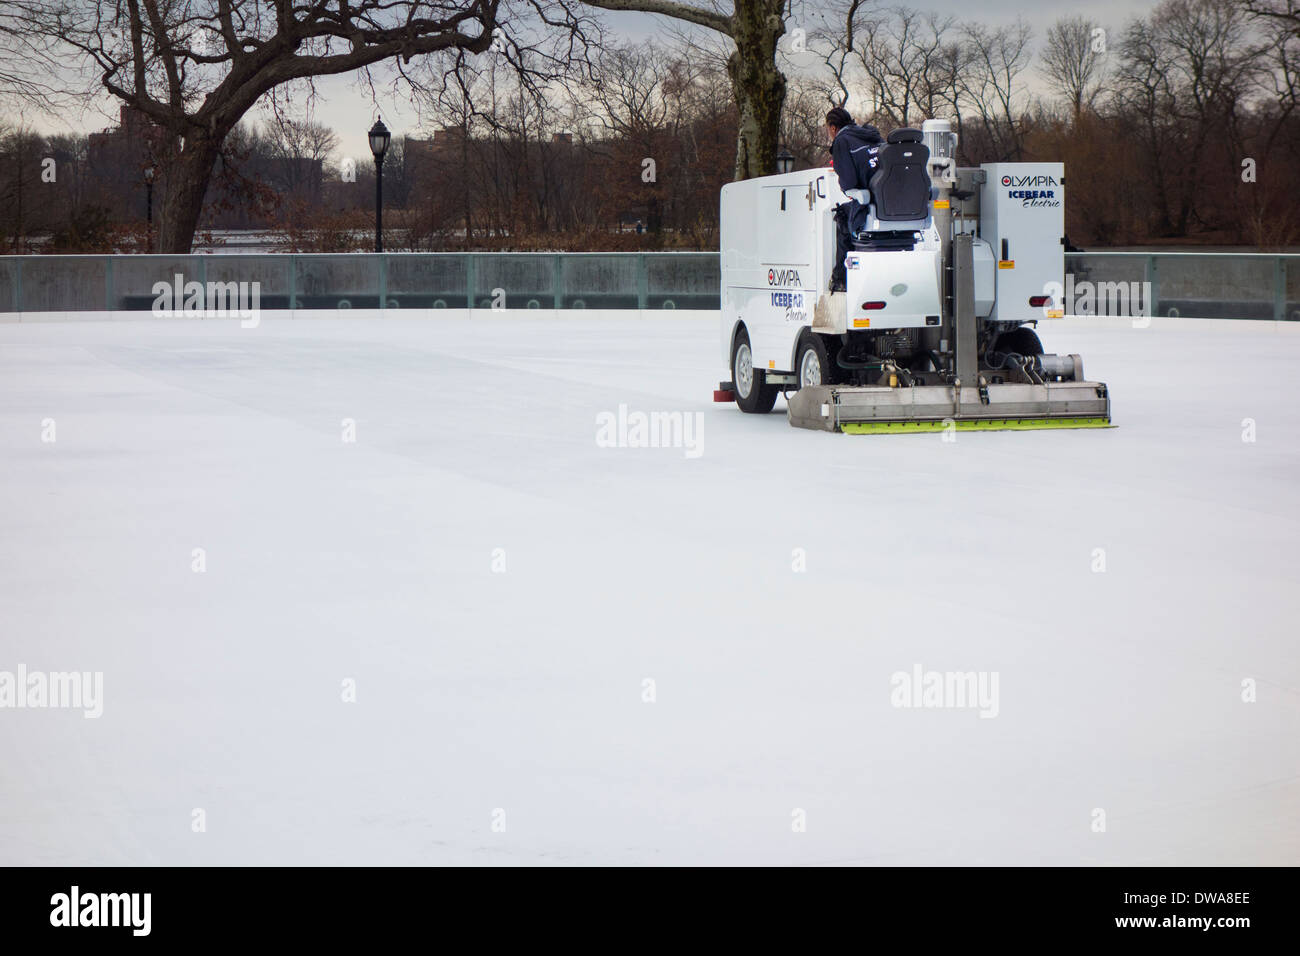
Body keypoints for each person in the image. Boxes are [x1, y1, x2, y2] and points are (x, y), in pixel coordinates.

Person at [825, 107, 883, 292]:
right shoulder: (871, 134)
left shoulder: (842, 141)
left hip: (871, 203)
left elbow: (849, 182)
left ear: (833, 128)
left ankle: (841, 279)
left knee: (843, 216)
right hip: (895, 203)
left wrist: (846, 186)